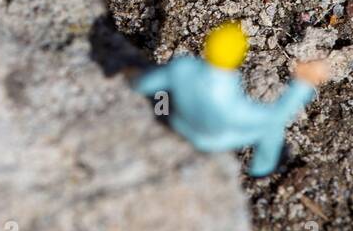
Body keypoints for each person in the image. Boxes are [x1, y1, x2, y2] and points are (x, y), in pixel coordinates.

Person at [135, 21, 329, 176]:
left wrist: (142, 91)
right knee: (271, 129)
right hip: (212, 140)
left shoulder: (183, 68)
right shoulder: (232, 106)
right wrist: (302, 85)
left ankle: (162, 114)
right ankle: (261, 170)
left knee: (164, 90)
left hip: (179, 121)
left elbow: (150, 82)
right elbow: (276, 115)